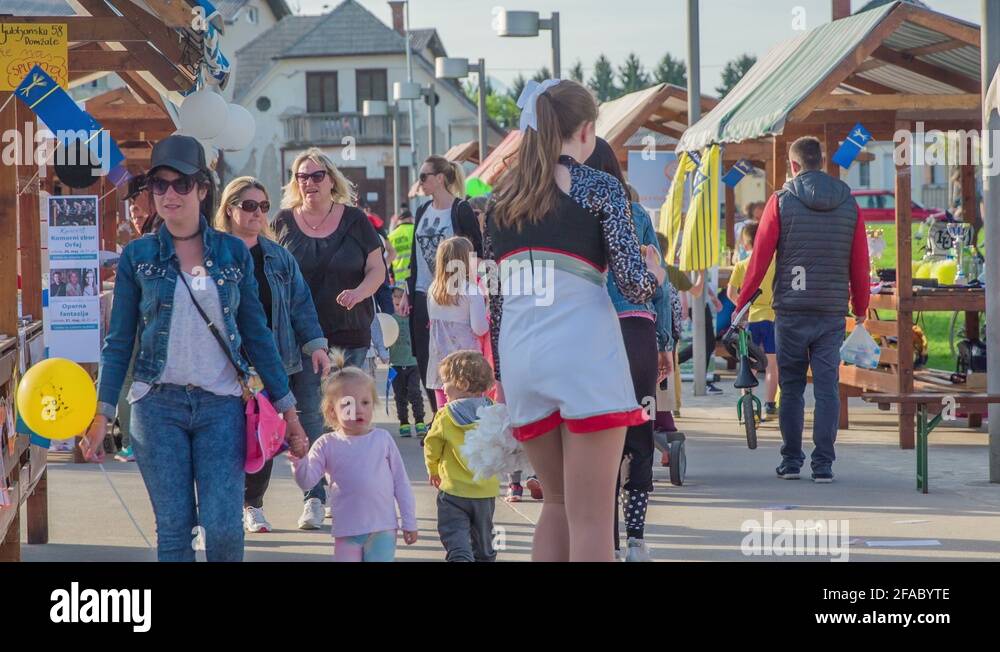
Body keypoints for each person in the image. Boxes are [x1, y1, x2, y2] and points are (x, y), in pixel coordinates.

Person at [81, 134, 308, 562]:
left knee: (224, 529)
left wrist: (289, 411)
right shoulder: (138, 256)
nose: (169, 194)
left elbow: (257, 334)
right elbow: (119, 342)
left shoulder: (231, 253)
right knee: (174, 533)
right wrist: (102, 412)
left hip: (220, 406)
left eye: (182, 184)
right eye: (159, 184)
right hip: (156, 405)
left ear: (203, 189)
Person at [484, 79, 664, 562]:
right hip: (585, 358)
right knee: (592, 516)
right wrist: (655, 273)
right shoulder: (600, 189)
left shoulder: (500, 202)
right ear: (586, 131)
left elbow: (495, 304)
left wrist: (503, 377)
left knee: (557, 505)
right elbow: (631, 285)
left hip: (523, 363)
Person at [735, 136, 870, 484]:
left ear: (793, 166)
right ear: (822, 161)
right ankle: (823, 464)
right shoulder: (849, 203)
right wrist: (862, 306)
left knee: (792, 386)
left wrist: (743, 301)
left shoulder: (781, 201)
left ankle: (792, 460)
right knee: (827, 387)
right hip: (830, 311)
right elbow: (860, 261)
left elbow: (760, 257)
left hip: (792, 312)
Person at [272, 148, 387, 530]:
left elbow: (377, 268)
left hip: (350, 330)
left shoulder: (354, 220)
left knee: (350, 413)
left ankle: (348, 491)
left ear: (331, 179)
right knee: (310, 414)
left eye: (317, 175)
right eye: (302, 176)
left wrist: (359, 292)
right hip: (305, 336)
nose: (310, 183)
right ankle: (314, 498)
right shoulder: (284, 222)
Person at [214, 176, 332, 533]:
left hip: (271, 360)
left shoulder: (278, 258)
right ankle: (228, 505)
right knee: (225, 437)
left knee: (261, 434)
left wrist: (316, 345)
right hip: (223, 363)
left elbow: (301, 305)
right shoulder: (213, 254)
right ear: (229, 209)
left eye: (263, 207)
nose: (257, 213)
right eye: (249, 206)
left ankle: (254, 504)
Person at [584, 139, 672, 562]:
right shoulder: (635, 214)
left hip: (592, 333)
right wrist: (666, 343)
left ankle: (607, 542)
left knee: (599, 439)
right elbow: (661, 283)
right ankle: (636, 541)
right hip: (638, 329)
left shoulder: (573, 214)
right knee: (639, 430)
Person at [289, 355, 418, 561]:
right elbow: (307, 480)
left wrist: (409, 522)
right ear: (332, 411)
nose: (359, 409)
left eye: (365, 402)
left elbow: (401, 483)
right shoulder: (326, 443)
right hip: (347, 530)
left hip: (382, 528)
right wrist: (300, 459)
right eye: (348, 404)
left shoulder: (382, 439)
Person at [397, 155, 483, 417]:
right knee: (426, 356)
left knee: (457, 357)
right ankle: (439, 416)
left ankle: (459, 413)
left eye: (424, 176)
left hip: (456, 295)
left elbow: (477, 251)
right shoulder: (422, 210)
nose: (420, 182)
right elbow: (414, 255)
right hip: (426, 292)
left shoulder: (460, 210)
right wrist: (407, 290)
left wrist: (475, 289)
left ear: (440, 178)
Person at [423, 350, 498, 562]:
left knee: (456, 539)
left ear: (462, 384)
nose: (442, 386)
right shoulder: (493, 411)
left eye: (446, 380)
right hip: (485, 491)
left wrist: (433, 469)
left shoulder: (446, 415)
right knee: (484, 543)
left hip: (453, 491)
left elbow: (432, 445)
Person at [426, 236, 489, 410]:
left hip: (440, 365)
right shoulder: (471, 291)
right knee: (469, 419)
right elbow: (479, 328)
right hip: (466, 368)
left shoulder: (432, 289)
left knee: (445, 416)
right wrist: (489, 310)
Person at [727, 223, 778, 416]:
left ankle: (747, 403)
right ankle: (770, 404)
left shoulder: (741, 265)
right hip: (772, 317)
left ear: (746, 244)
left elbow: (732, 293)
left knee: (749, 364)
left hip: (751, 319)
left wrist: (745, 307)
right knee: (772, 364)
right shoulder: (774, 262)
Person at [389, 287, 426, 437]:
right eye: (396, 305)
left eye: (401, 304)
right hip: (395, 364)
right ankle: (403, 422)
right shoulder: (391, 319)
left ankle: (419, 421)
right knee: (399, 394)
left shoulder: (413, 319)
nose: (400, 309)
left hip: (413, 363)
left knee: (415, 392)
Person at [387, 203, 415, 287]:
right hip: (414, 276)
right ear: (410, 219)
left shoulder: (391, 236)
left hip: (398, 279)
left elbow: (389, 259)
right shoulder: (416, 230)